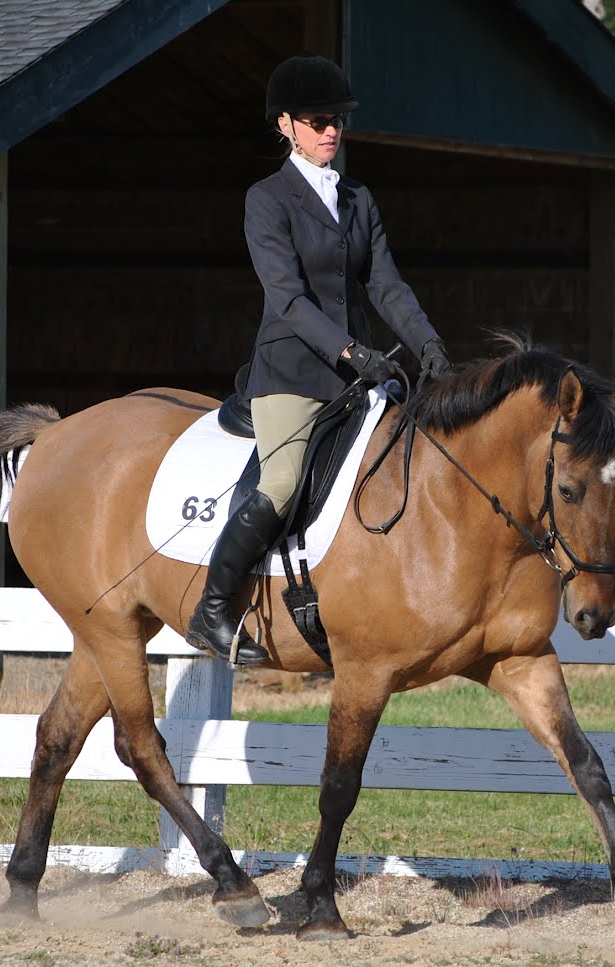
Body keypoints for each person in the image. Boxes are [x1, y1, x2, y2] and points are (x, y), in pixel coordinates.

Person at [186, 52, 451, 666]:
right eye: (317, 120)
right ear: (287, 126)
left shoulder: (358, 198)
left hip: (359, 379)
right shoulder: (266, 199)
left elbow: (385, 285)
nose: (331, 129)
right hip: (291, 373)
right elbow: (288, 299)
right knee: (280, 481)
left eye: (337, 119)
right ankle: (215, 609)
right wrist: (354, 351)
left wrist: (429, 343)